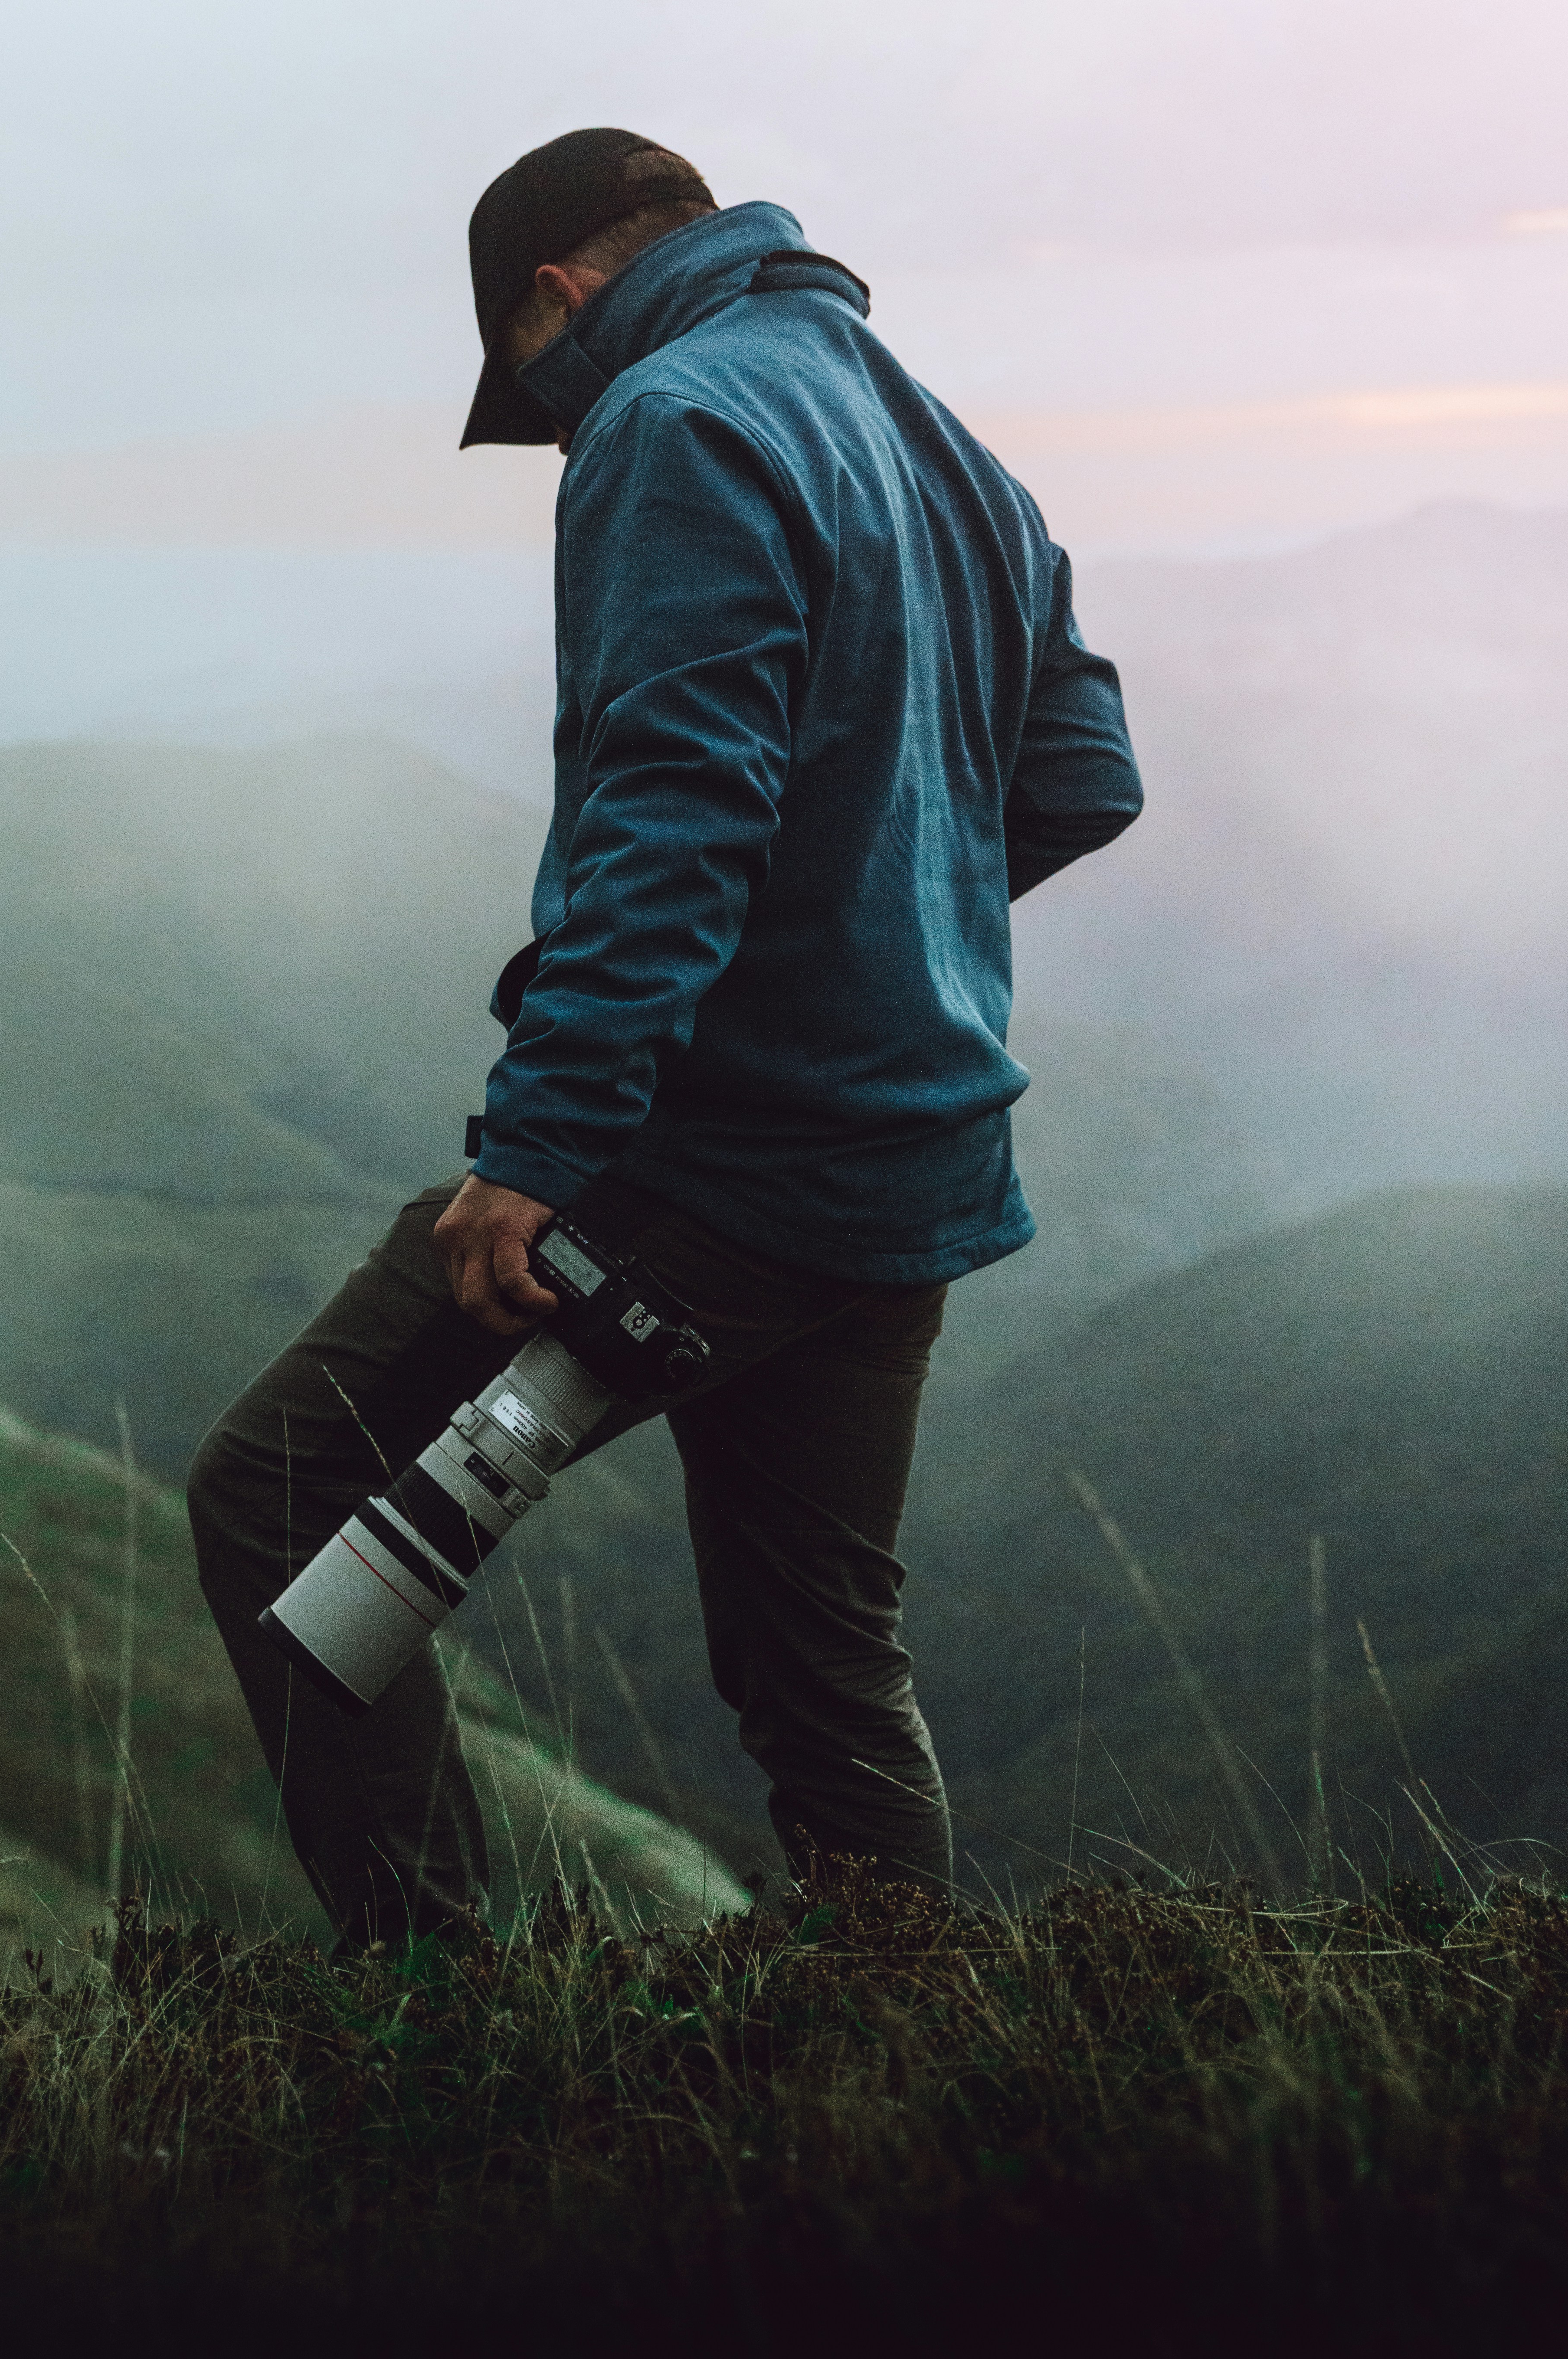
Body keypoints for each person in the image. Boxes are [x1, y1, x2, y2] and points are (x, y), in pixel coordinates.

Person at [188, 127, 1142, 1942]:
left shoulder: (673, 420)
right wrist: (880, 930)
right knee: (824, 1674)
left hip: (708, 1165)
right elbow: (1082, 774)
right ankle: (906, 2056)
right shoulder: (935, 435)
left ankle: (439, 2019)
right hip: (907, 1171)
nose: (553, 425)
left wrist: (535, 1154)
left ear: (558, 294)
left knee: (278, 1492)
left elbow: (675, 816)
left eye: (534, 395)